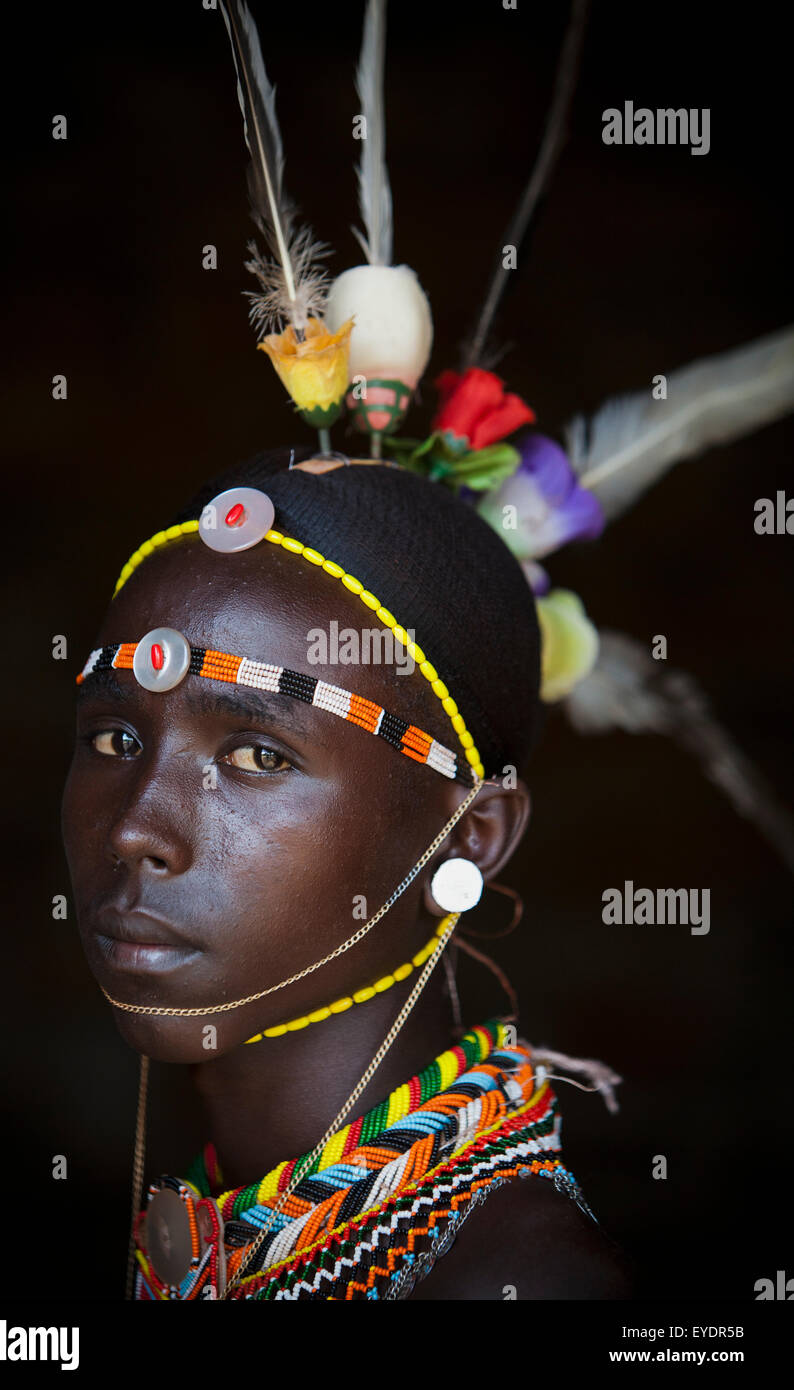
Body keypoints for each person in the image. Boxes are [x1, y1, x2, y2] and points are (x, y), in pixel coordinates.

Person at [63, 444, 633, 1300]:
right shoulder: (226, 1217)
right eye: (117, 740)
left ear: (470, 834)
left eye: (258, 753)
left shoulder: (517, 1282)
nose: (137, 828)